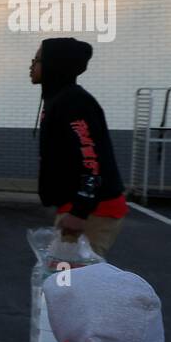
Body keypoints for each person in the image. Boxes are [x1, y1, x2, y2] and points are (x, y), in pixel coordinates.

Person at [30, 37, 127, 257]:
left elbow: (91, 157)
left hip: (94, 211)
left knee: (76, 282)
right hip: (76, 207)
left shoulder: (74, 102)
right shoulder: (58, 100)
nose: (32, 65)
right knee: (64, 278)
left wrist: (80, 211)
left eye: (37, 60)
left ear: (54, 65)